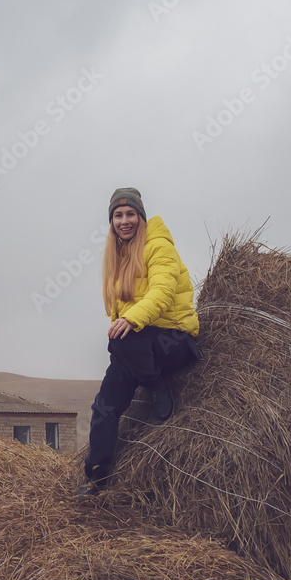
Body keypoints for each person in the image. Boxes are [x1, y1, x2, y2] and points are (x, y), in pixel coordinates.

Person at [80, 187, 200, 497]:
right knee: (104, 405)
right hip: (138, 346)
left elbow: (162, 292)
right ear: (111, 222)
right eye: (117, 216)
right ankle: (97, 475)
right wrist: (123, 333)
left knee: (121, 341)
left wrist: (131, 321)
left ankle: (159, 386)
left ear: (141, 216)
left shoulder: (159, 246)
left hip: (174, 340)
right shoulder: (117, 258)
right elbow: (118, 313)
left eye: (130, 214)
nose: (124, 221)